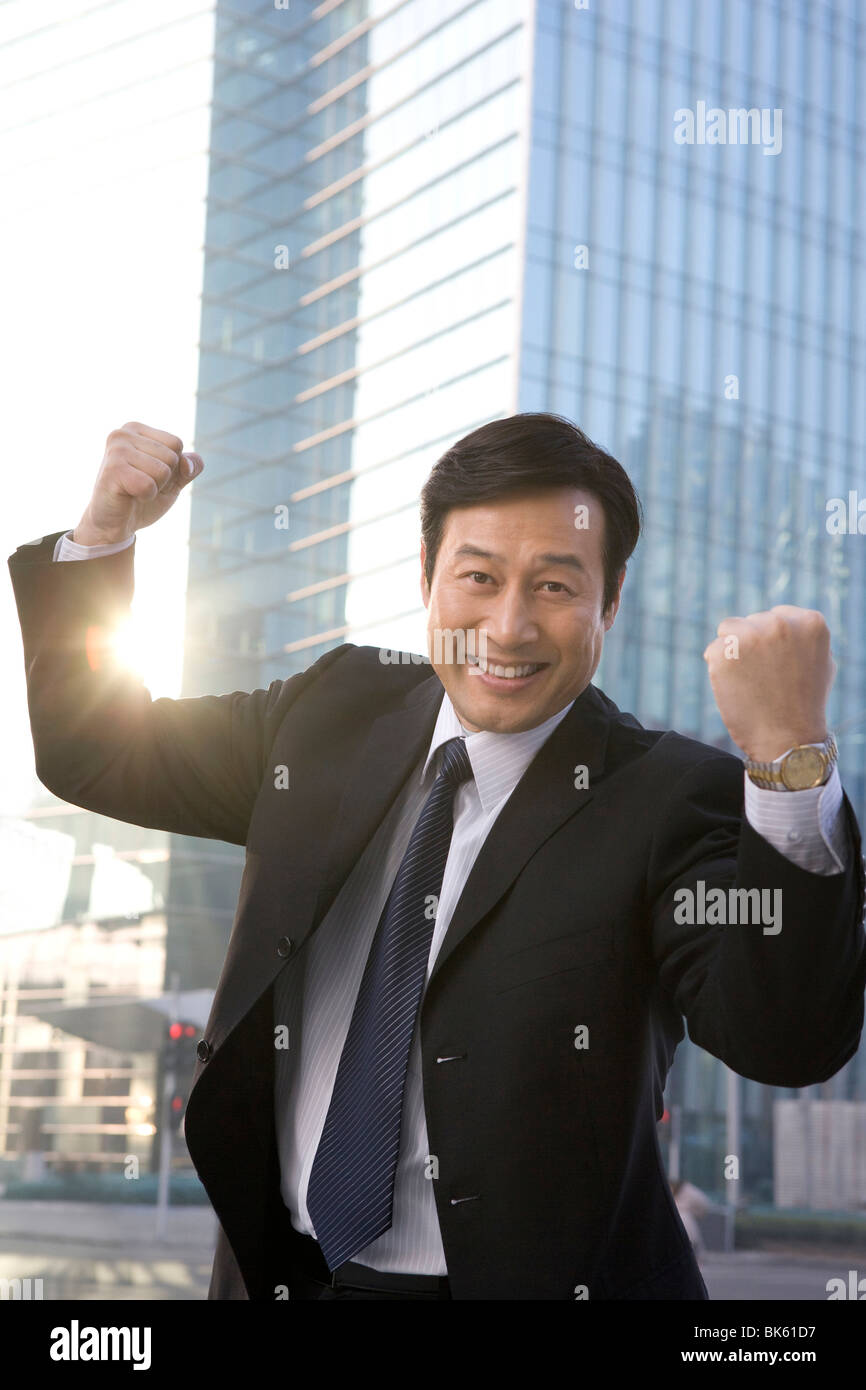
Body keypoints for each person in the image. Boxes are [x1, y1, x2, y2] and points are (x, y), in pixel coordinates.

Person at [8, 413, 866, 1301]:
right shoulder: (334, 710)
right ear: (426, 576)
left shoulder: (667, 797)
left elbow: (787, 1039)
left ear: (610, 603)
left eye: (555, 587)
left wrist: (790, 754)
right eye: (479, 577)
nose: (508, 627)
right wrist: (102, 535)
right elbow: (98, 750)